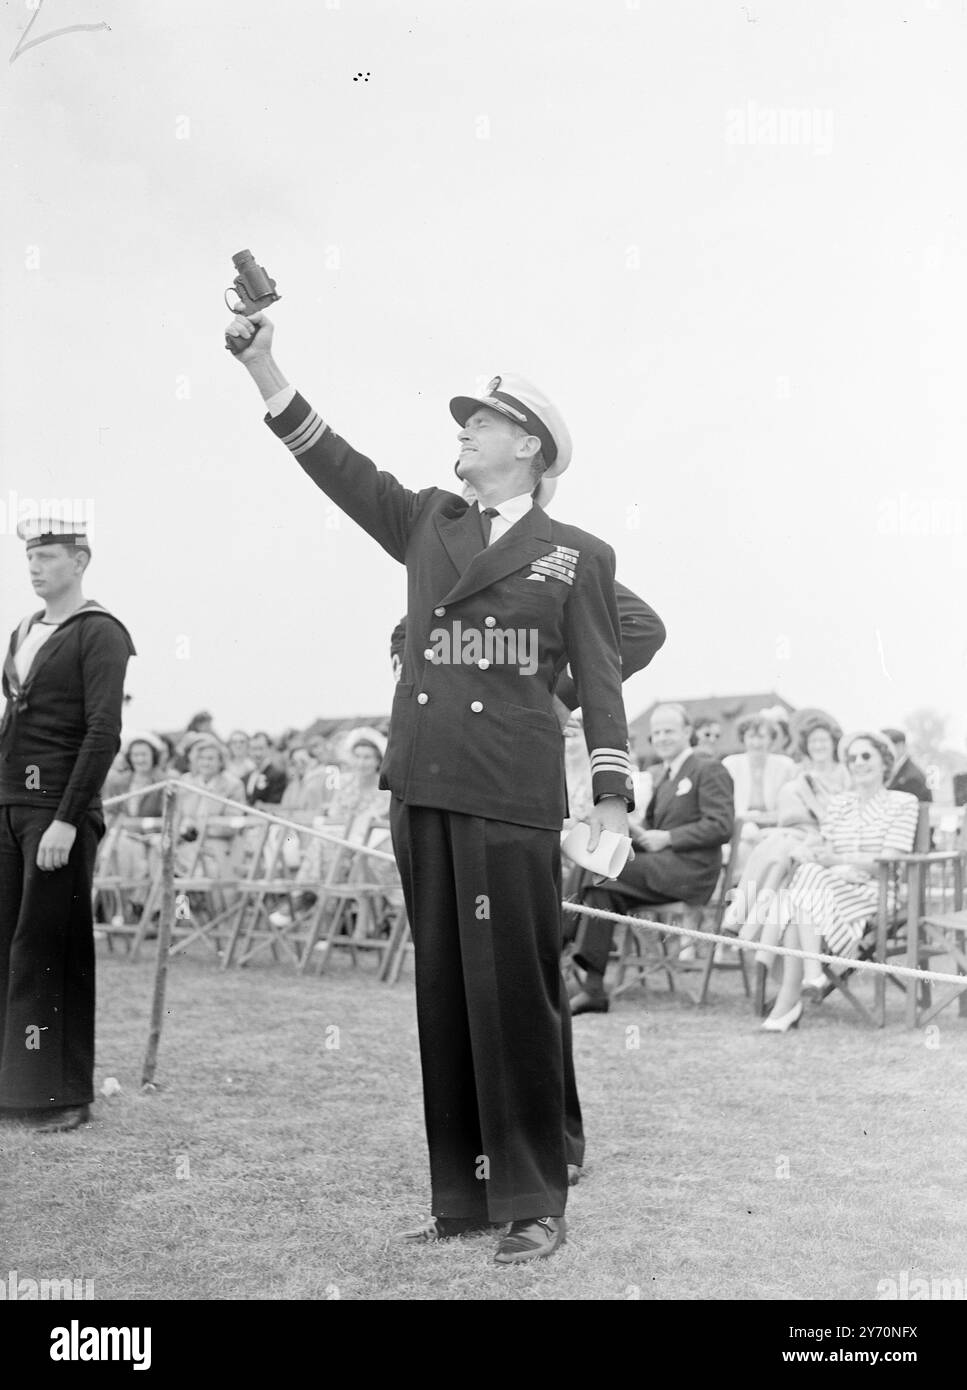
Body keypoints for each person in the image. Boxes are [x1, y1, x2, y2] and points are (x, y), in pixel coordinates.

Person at [228, 306, 633, 1265]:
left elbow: (606, 683)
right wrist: (264, 366)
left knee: (516, 997)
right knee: (445, 994)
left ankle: (534, 1200)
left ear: (527, 445)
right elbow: (335, 465)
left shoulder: (575, 552)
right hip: (423, 785)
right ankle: (463, 1198)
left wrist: (606, 796)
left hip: (510, 793)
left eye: (480, 421)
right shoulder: (426, 520)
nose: (462, 431)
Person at [0, 515, 135, 1132]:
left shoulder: (101, 631)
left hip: (58, 810)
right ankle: (13, 1088)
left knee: (47, 948)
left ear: (80, 561)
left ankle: (59, 1096)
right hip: (9, 803)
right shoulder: (23, 629)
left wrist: (67, 819)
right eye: (29, 555)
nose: (35, 566)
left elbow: (103, 731)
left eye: (49, 555)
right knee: (8, 944)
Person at [569, 704, 734, 1013]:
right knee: (600, 877)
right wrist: (630, 828)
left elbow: (721, 826)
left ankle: (558, 939)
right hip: (660, 866)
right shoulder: (666, 776)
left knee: (601, 869)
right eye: (656, 732)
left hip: (689, 872)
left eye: (669, 730)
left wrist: (668, 838)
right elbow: (653, 829)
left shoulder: (708, 768)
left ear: (688, 732)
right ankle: (593, 987)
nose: (662, 738)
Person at [759, 730, 919, 1033]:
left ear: (885, 762)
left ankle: (795, 996)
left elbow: (886, 861)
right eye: (852, 758)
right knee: (807, 875)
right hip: (832, 885)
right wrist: (824, 859)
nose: (858, 763)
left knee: (803, 890)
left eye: (866, 756)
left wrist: (837, 864)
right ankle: (809, 978)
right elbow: (828, 852)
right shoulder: (839, 803)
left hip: (878, 890)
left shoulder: (902, 802)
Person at [723, 713, 850, 1011]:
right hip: (798, 835)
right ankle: (745, 921)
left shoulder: (845, 773)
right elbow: (789, 812)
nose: (819, 745)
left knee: (779, 849)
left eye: (824, 740)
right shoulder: (800, 774)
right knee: (777, 847)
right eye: (814, 741)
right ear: (806, 745)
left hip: (826, 839)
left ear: (834, 743)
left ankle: (741, 920)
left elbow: (842, 814)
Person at [722, 714, 797, 873]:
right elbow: (726, 805)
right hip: (740, 828)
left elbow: (789, 807)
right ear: (743, 738)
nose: (756, 743)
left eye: (761, 737)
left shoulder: (785, 766)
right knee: (743, 849)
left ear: (771, 739)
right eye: (751, 737)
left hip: (775, 827)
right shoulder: (730, 764)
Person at [882, 727, 933, 803]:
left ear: (900, 746)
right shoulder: (890, 771)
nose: (881, 751)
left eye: (885, 746)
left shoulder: (912, 778)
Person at [244, 731, 287, 806]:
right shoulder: (247, 776)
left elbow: (275, 803)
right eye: (254, 749)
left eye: (261, 748)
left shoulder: (277, 774)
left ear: (269, 749)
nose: (257, 754)